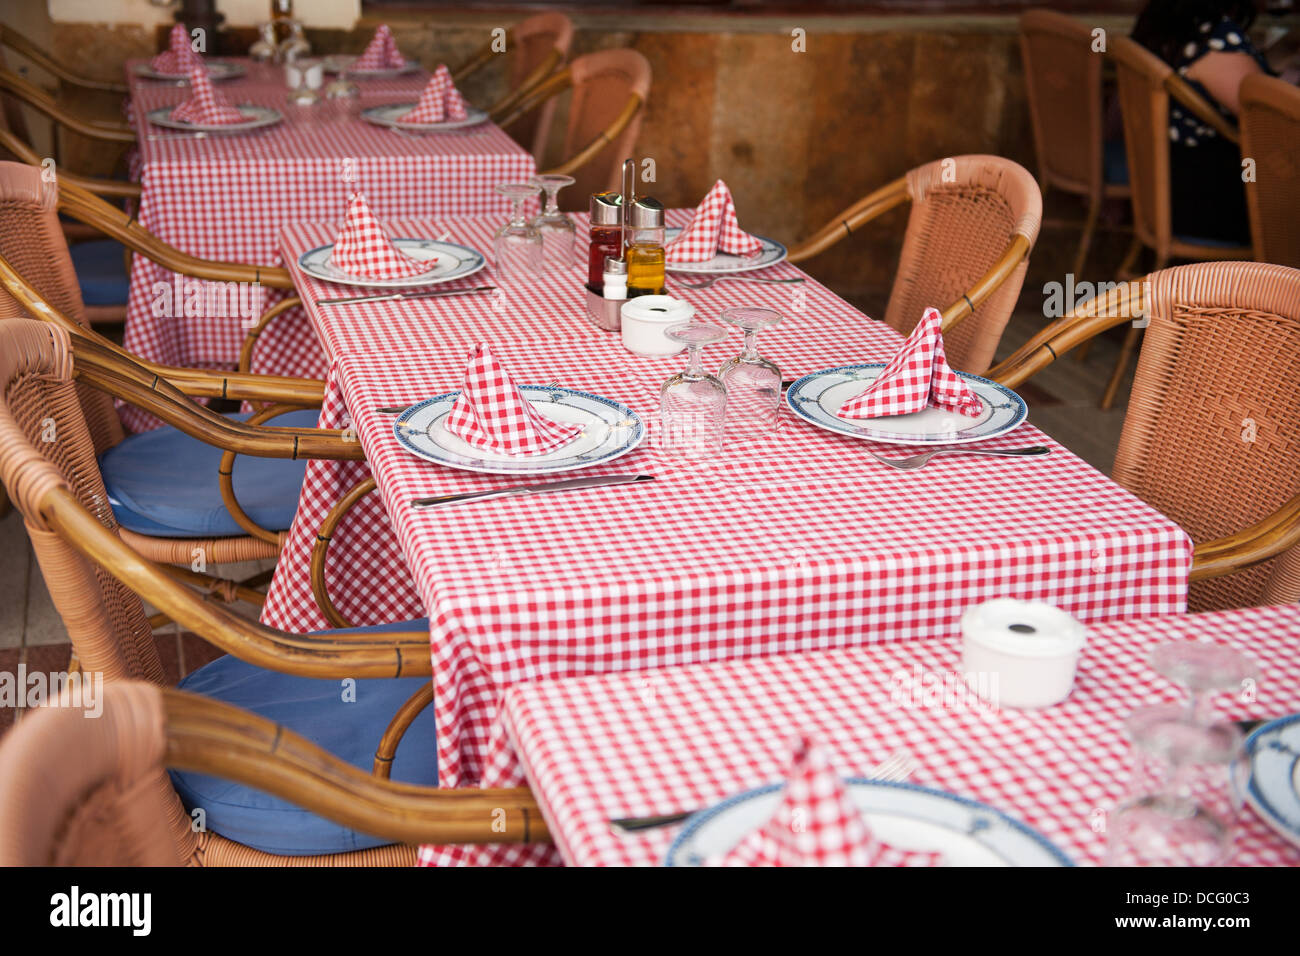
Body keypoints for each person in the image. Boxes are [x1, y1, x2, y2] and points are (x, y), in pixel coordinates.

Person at [1131, 0, 1271, 245]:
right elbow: (1276, 124)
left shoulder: (1160, 22)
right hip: (1209, 206)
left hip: (1166, 192)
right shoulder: (1214, 40)